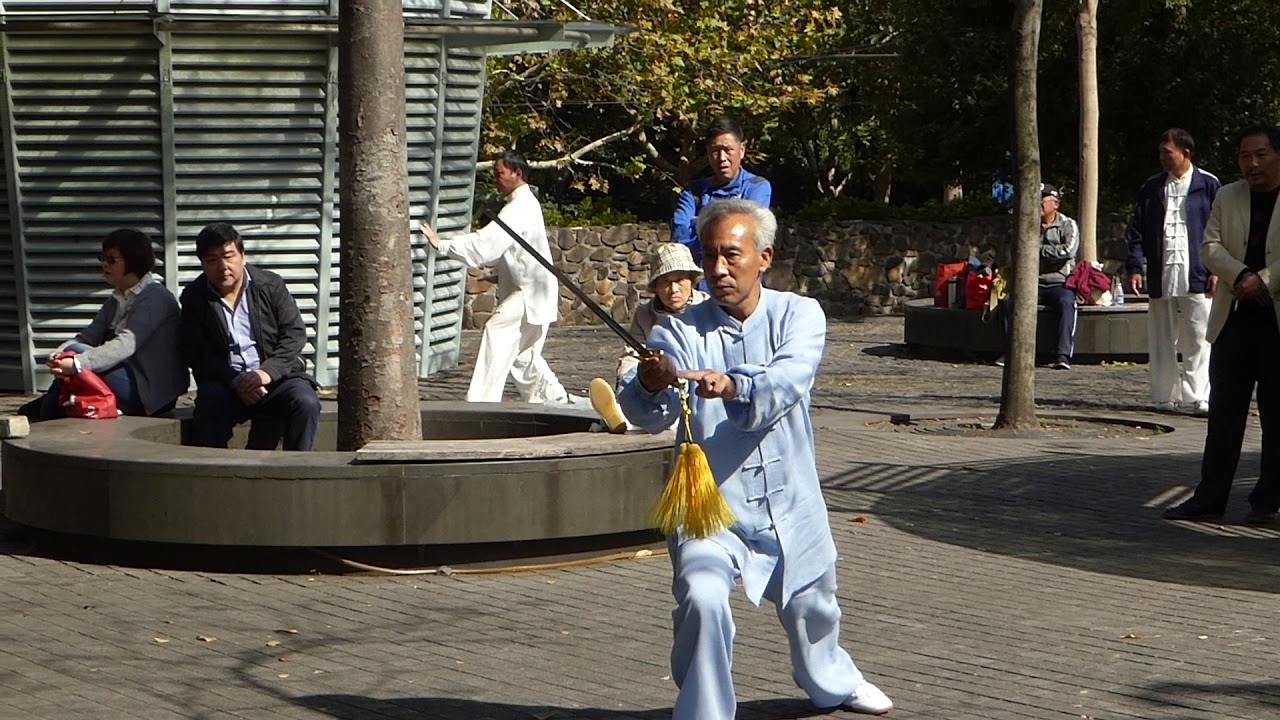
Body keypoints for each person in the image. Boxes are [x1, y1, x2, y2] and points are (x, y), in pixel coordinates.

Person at [618, 199, 892, 718]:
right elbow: (643, 411)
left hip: (793, 500)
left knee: (814, 607)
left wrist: (732, 383)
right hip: (709, 506)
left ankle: (832, 681)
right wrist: (651, 383)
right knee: (701, 596)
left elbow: (787, 381)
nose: (718, 269)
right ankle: (705, 712)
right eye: (710, 256)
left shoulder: (800, 315)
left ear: (763, 257)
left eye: (731, 255)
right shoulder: (675, 331)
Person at [1163, 124, 1280, 526]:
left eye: (1261, 154)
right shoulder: (1227, 195)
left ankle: (1268, 502)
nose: (1252, 164)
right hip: (1234, 321)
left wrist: (1264, 281)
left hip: (1276, 325)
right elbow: (1209, 246)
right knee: (1224, 417)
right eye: (1245, 156)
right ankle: (1210, 498)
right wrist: (1242, 275)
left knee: (1277, 415)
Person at [422, 150, 577, 405]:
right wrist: (500, 275)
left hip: (529, 293)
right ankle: (556, 399)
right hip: (535, 289)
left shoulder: (520, 207)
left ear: (517, 173)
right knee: (523, 356)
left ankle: (480, 403)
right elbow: (520, 251)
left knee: (497, 334)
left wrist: (443, 244)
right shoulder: (524, 204)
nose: (496, 180)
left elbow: (488, 242)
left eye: (499, 174)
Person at [20, 228, 187, 421]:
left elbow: (125, 344)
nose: (104, 265)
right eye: (103, 258)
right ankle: (50, 407)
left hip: (151, 393)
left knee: (76, 355)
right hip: (125, 378)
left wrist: (76, 363)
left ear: (133, 260)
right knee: (73, 351)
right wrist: (59, 355)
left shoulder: (155, 297)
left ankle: (47, 410)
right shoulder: (117, 298)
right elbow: (88, 336)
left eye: (111, 259)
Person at [181, 222, 321, 451]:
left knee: (305, 402)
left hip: (273, 376)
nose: (223, 267)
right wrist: (237, 381)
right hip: (227, 381)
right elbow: (196, 352)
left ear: (242, 256)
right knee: (209, 404)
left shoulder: (270, 285)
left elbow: (294, 333)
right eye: (212, 260)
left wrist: (266, 373)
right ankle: (212, 475)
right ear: (203, 264)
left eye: (228, 256)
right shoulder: (194, 297)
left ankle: (297, 468)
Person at [1125, 129, 1220, 415]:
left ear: (1185, 154)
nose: (1162, 158)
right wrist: (1135, 265)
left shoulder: (1209, 184)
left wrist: (1216, 268)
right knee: (1162, 335)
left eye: (1168, 153)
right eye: (1161, 153)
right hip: (1161, 269)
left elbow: (1220, 228)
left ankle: (1197, 395)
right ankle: (1164, 395)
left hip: (1198, 270)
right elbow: (1137, 229)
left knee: (1200, 334)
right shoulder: (1152, 186)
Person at [589, 242, 709, 433]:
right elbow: (631, 355)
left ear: (692, 280)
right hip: (657, 388)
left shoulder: (708, 308)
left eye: (680, 280)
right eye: (665, 282)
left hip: (697, 387)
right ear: (655, 287)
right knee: (637, 396)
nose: (674, 289)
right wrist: (629, 381)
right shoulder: (645, 314)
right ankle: (622, 413)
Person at [997, 183, 1080, 369]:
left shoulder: (1068, 225)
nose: (1038, 204)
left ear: (1055, 203)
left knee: (1067, 303)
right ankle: (1010, 353)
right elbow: (1018, 250)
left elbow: (1067, 251)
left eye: (1042, 199)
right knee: (1009, 302)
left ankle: (1063, 355)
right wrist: (1046, 253)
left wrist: (1036, 251)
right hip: (1031, 282)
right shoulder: (1026, 224)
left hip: (1059, 282)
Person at [671, 117, 772, 267]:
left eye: (728, 150)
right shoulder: (693, 192)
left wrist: (699, 229)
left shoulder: (756, 187)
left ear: (741, 150)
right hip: (699, 283)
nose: (722, 158)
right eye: (715, 151)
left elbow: (748, 239)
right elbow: (679, 241)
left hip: (740, 282)